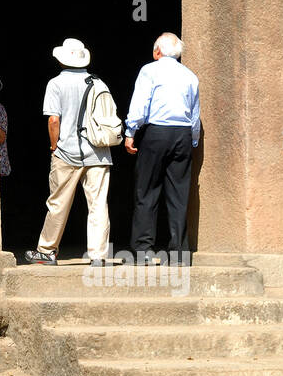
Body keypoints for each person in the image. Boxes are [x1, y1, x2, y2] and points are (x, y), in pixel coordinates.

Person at [25, 39, 113, 267]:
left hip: (66, 152)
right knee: (98, 205)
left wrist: (54, 146)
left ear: (62, 59)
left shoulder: (55, 84)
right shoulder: (99, 83)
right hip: (98, 153)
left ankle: (47, 251)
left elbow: (54, 120)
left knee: (58, 204)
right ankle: (98, 256)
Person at [123, 32, 201, 264]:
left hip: (156, 132)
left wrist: (130, 132)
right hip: (182, 134)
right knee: (179, 193)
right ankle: (179, 253)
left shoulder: (150, 70)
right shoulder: (190, 75)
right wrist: (193, 139)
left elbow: (140, 103)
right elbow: (195, 113)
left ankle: (143, 249)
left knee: (147, 190)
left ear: (158, 51)